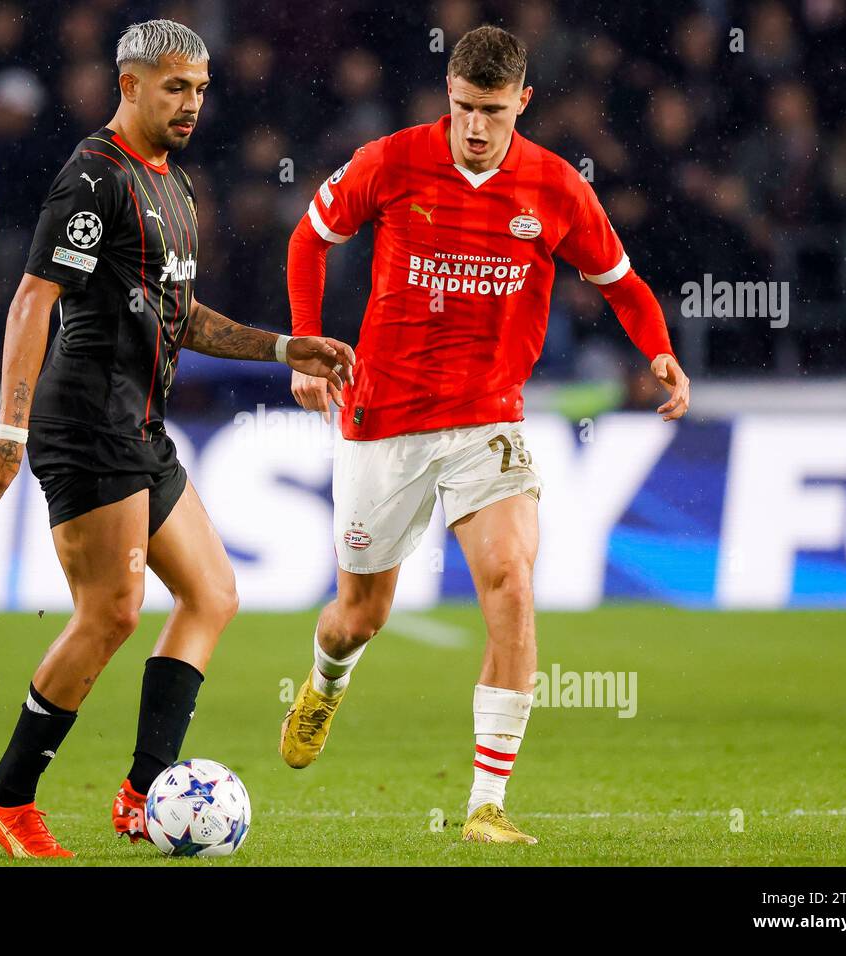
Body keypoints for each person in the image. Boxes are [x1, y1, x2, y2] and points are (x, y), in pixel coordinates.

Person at [0, 19, 354, 858]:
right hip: (85, 423)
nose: (191, 104)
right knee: (113, 612)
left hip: (141, 425)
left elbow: (183, 314)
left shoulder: (174, 184)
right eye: (175, 87)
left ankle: (144, 793)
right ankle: (5, 797)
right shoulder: (93, 178)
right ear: (128, 84)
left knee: (212, 595)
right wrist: (9, 428)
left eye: (201, 89)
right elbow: (33, 299)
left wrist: (282, 347)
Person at [280, 25, 690, 844]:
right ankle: (327, 679)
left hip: (487, 418)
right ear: (448, 93)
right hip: (381, 420)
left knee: (509, 577)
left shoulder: (554, 188)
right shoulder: (391, 161)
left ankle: (486, 804)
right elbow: (307, 239)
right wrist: (304, 346)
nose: (475, 126)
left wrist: (661, 351)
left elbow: (623, 282)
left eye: (492, 111)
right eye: (464, 106)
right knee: (359, 616)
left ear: (522, 102)